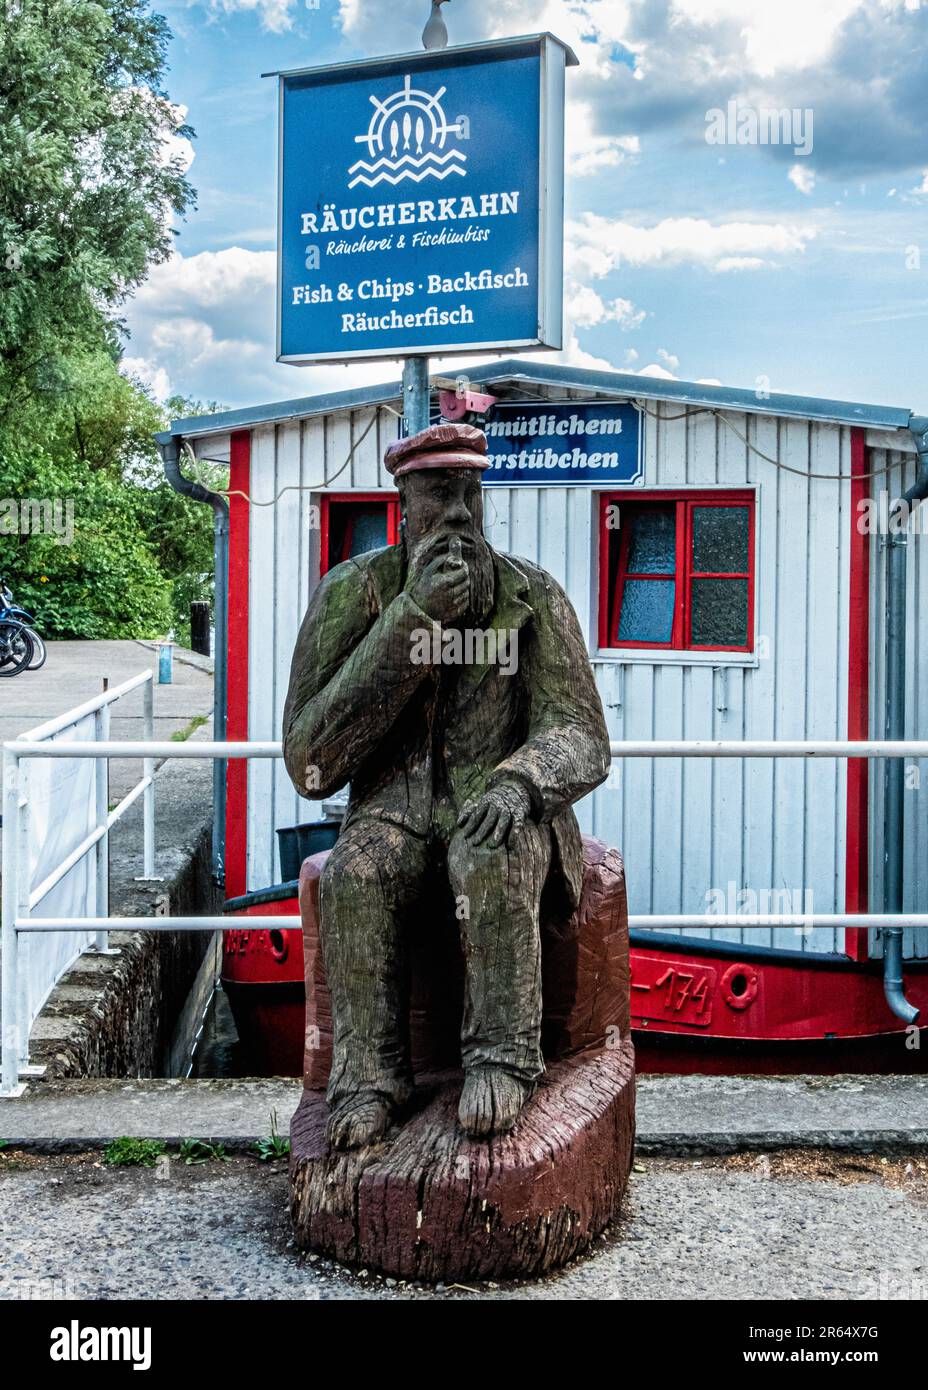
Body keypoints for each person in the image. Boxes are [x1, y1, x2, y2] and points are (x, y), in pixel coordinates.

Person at [282, 422, 610, 1148]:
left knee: (489, 855)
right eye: (438, 494)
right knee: (359, 874)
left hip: (497, 805)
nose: (458, 512)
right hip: (393, 810)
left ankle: (504, 1057)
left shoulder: (531, 596)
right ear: (404, 503)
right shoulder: (352, 593)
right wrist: (411, 620)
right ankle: (368, 1077)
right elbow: (310, 761)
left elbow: (583, 733)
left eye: (469, 492)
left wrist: (521, 783)